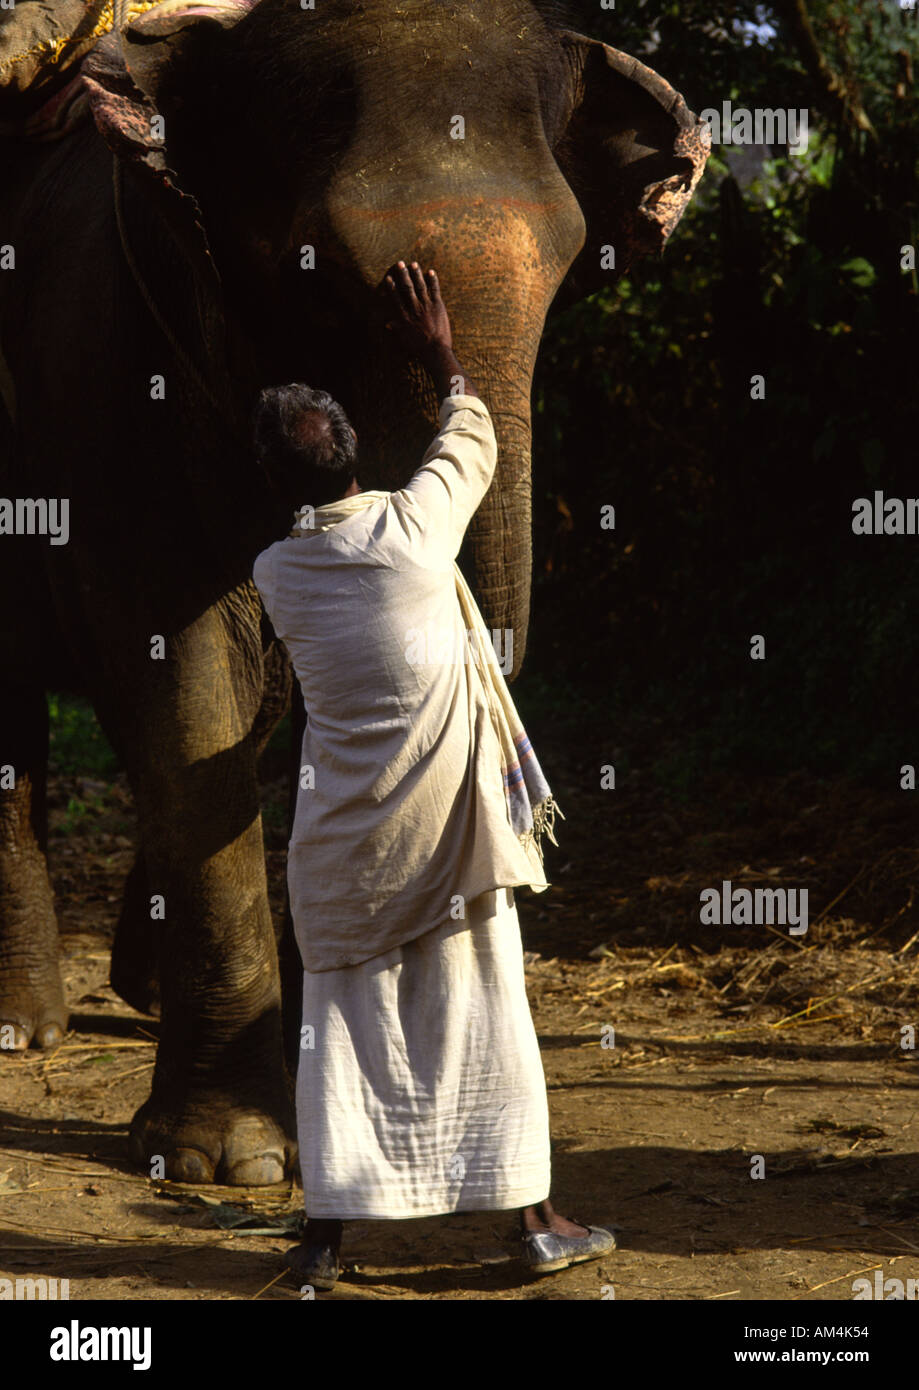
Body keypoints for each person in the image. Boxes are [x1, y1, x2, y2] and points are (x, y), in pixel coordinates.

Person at [251, 261, 614, 1288]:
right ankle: (538, 1218)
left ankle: (322, 1243)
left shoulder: (276, 576)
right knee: (488, 1013)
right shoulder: (417, 532)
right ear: (359, 445)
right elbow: (476, 433)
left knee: (342, 1041)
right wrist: (442, 346)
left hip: (342, 853)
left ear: (275, 486)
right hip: (451, 835)